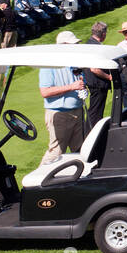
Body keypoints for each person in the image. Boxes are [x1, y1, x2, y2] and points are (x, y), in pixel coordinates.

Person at [39, 30, 86, 166]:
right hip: (59, 114)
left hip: (77, 110)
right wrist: (72, 87)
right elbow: (45, 92)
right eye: (73, 44)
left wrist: (82, 87)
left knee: (80, 150)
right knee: (56, 152)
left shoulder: (74, 62)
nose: (76, 47)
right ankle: (38, 180)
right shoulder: (49, 65)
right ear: (63, 45)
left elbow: (78, 82)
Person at [82, 21, 111, 132]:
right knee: (95, 113)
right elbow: (94, 69)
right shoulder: (96, 47)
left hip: (93, 84)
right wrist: (108, 77)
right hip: (98, 85)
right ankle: (91, 135)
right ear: (103, 33)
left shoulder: (88, 44)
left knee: (95, 111)